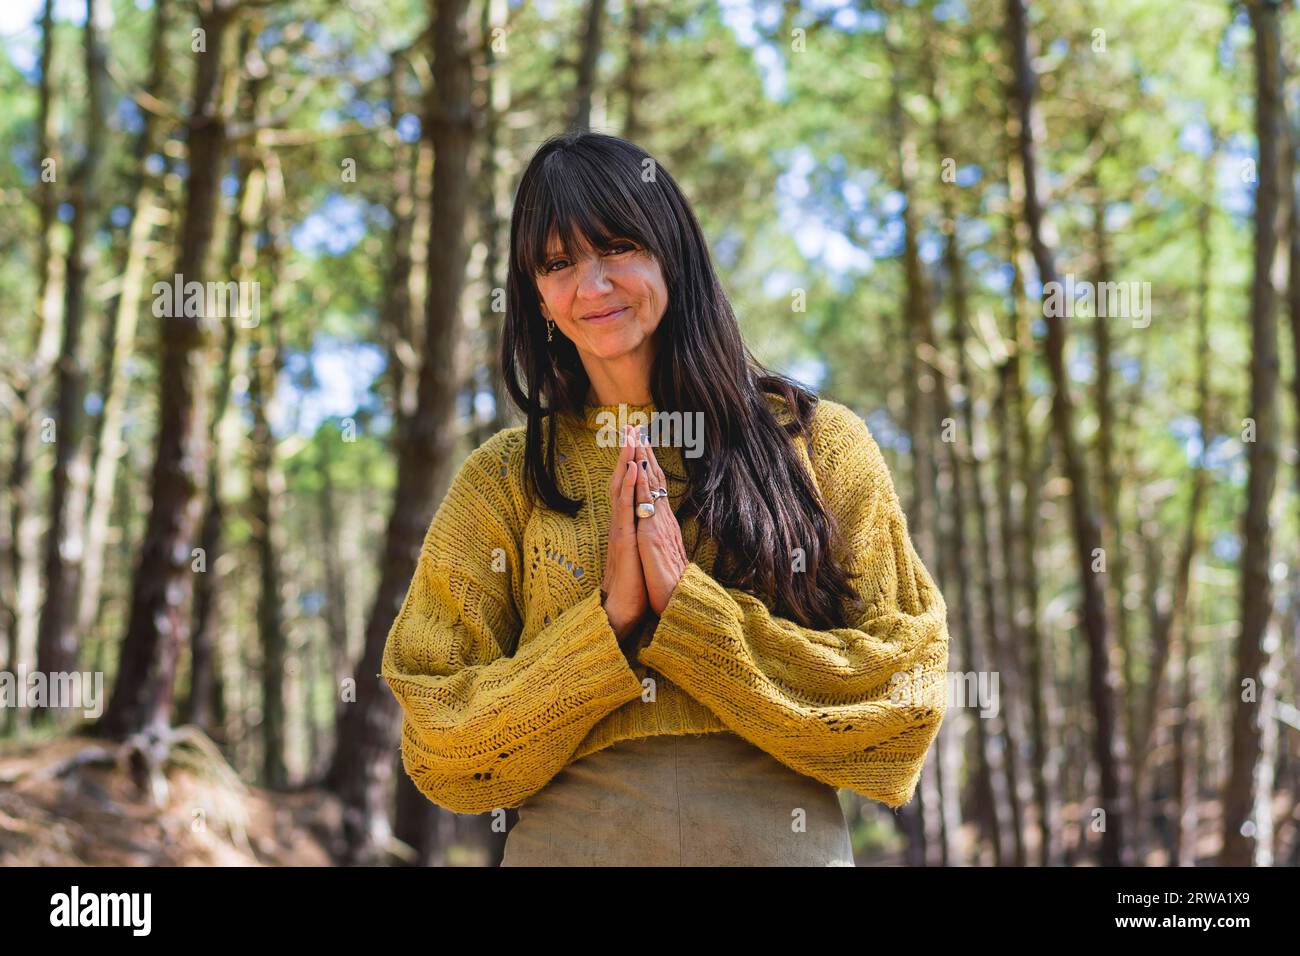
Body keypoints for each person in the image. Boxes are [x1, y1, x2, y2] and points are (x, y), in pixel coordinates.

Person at [380, 130, 950, 866]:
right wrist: (607, 623)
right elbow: (439, 736)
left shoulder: (819, 443)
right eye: (557, 264)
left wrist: (691, 612)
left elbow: (908, 684)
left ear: (671, 252)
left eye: (617, 246)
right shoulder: (503, 480)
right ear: (539, 299)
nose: (591, 285)